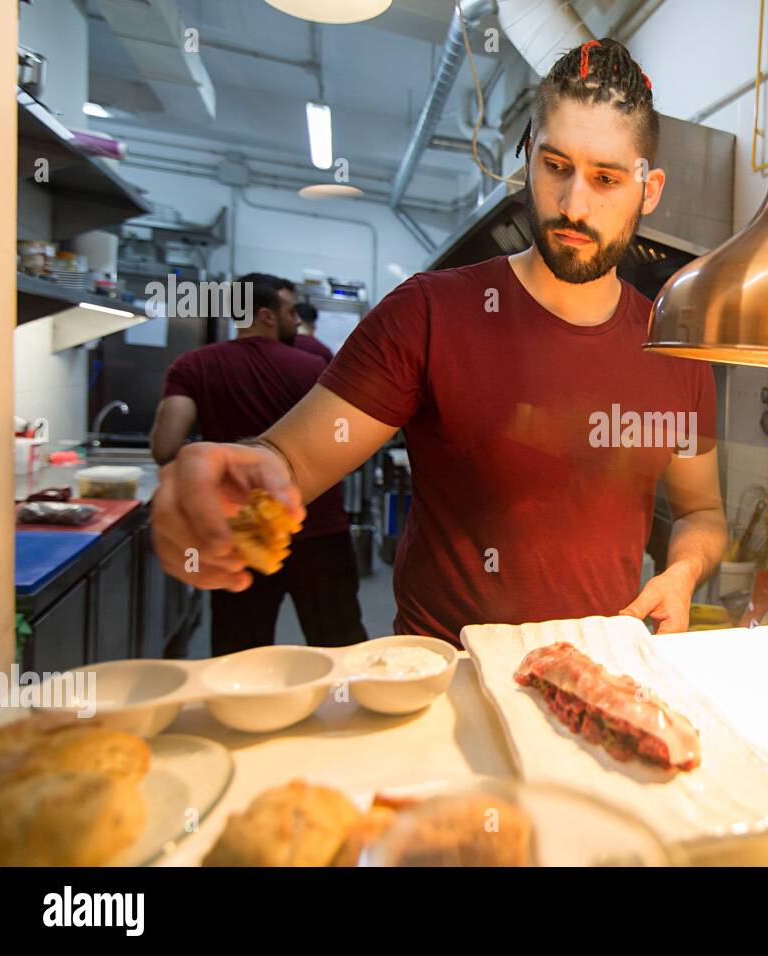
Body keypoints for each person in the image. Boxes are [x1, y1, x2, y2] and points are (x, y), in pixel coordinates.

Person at [150, 39, 727, 646]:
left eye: (606, 178)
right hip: (448, 687)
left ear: (649, 189)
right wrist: (235, 479)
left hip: (596, 676)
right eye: (556, 167)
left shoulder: (674, 350)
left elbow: (700, 512)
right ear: (528, 157)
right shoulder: (429, 313)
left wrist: (683, 572)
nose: (573, 205)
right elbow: (290, 461)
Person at [149, 272, 368, 655]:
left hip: (240, 535)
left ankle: (244, 714)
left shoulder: (194, 365)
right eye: (289, 311)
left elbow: (166, 445)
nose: (297, 319)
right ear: (266, 315)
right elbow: (351, 438)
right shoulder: (316, 365)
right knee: (342, 648)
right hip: (319, 530)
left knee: (240, 653)